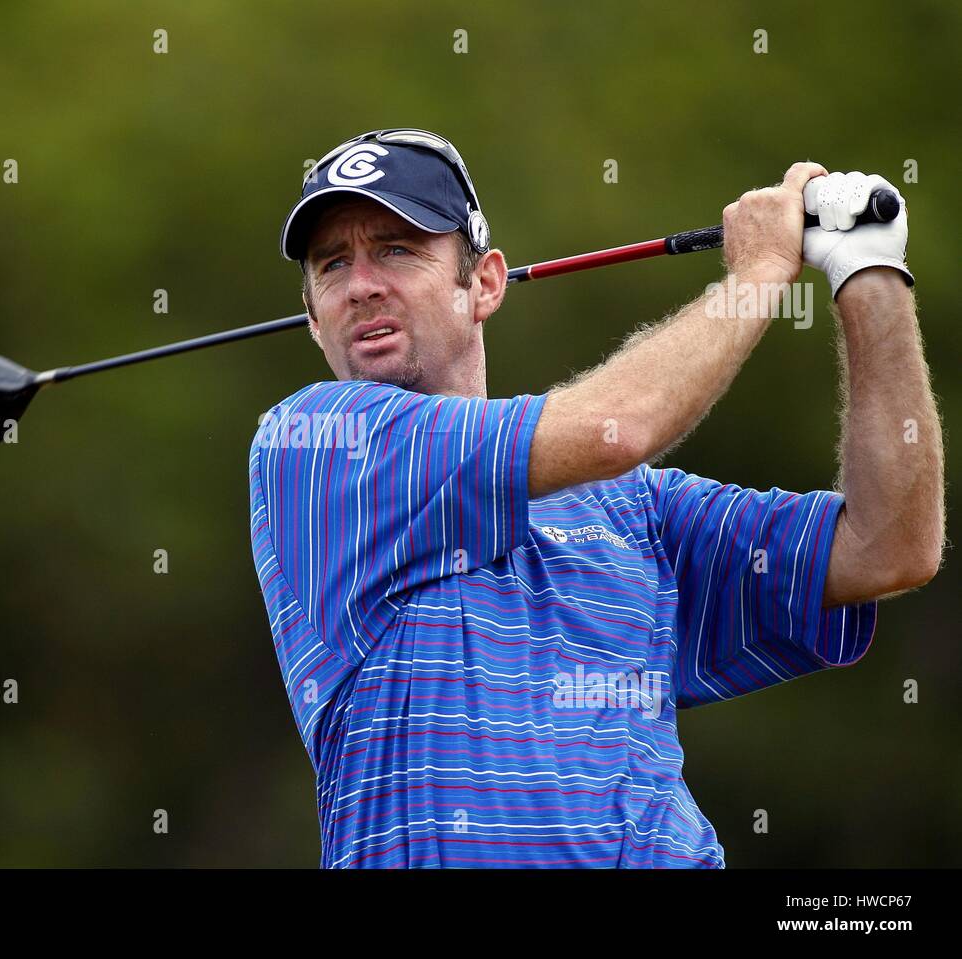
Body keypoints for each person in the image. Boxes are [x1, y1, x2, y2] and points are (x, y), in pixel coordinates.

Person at [247, 129, 942, 868]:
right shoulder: (314, 443)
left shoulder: (631, 508)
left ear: (483, 283)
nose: (361, 283)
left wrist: (869, 271)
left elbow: (890, 546)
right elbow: (621, 428)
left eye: (395, 249)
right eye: (332, 265)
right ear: (315, 317)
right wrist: (760, 271)